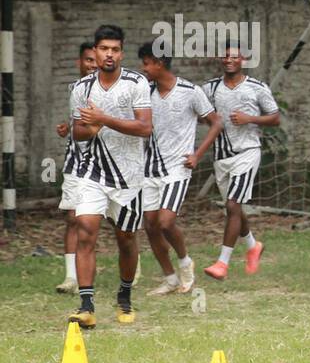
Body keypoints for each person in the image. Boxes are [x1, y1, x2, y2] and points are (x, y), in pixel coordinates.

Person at [67, 24, 153, 327]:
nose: (109, 54)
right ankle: (86, 305)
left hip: (129, 178)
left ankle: (125, 296)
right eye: (104, 49)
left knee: (126, 239)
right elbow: (77, 131)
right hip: (92, 171)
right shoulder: (82, 88)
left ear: (122, 53)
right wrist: (89, 127)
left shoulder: (136, 83)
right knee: (85, 229)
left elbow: (145, 128)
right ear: (96, 50)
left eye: (115, 50)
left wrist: (103, 119)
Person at [140, 39, 222, 296]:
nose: (143, 69)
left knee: (165, 222)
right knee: (150, 226)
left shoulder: (190, 91)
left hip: (177, 168)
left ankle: (186, 262)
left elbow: (216, 123)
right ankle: (170, 278)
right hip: (149, 169)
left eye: (146, 64)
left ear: (159, 63)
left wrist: (197, 155)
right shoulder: (145, 93)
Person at [202, 43, 280, 280]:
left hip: (247, 152)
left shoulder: (256, 88)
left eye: (234, 56)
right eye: (225, 56)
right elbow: (199, 112)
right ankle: (253, 246)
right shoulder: (210, 89)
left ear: (243, 59)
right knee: (234, 208)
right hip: (221, 156)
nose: (229, 60)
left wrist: (250, 118)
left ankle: (222, 263)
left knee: (233, 205)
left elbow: (275, 118)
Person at [55, 42, 98, 294]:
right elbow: (75, 123)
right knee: (73, 217)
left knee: (117, 222)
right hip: (76, 161)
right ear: (79, 62)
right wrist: (66, 128)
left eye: (95, 60)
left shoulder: (115, 89)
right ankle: (71, 277)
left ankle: (130, 266)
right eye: (88, 60)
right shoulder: (74, 88)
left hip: (106, 163)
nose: (92, 64)